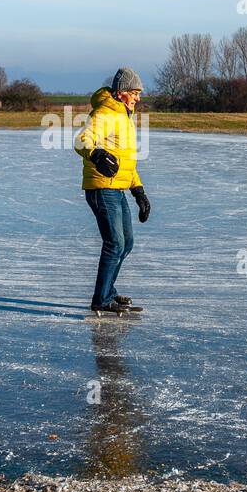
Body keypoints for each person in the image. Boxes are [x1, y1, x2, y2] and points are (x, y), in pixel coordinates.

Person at [74, 68, 151, 314]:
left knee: (126, 243)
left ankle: (109, 291)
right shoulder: (105, 112)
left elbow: (126, 159)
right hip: (102, 187)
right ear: (121, 93)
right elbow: (81, 140)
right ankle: (101, 298)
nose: (138, 98)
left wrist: (138, 190)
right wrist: (96, 154)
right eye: (135, 93)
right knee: (114, 242)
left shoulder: (124, 117)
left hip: (118, 187)